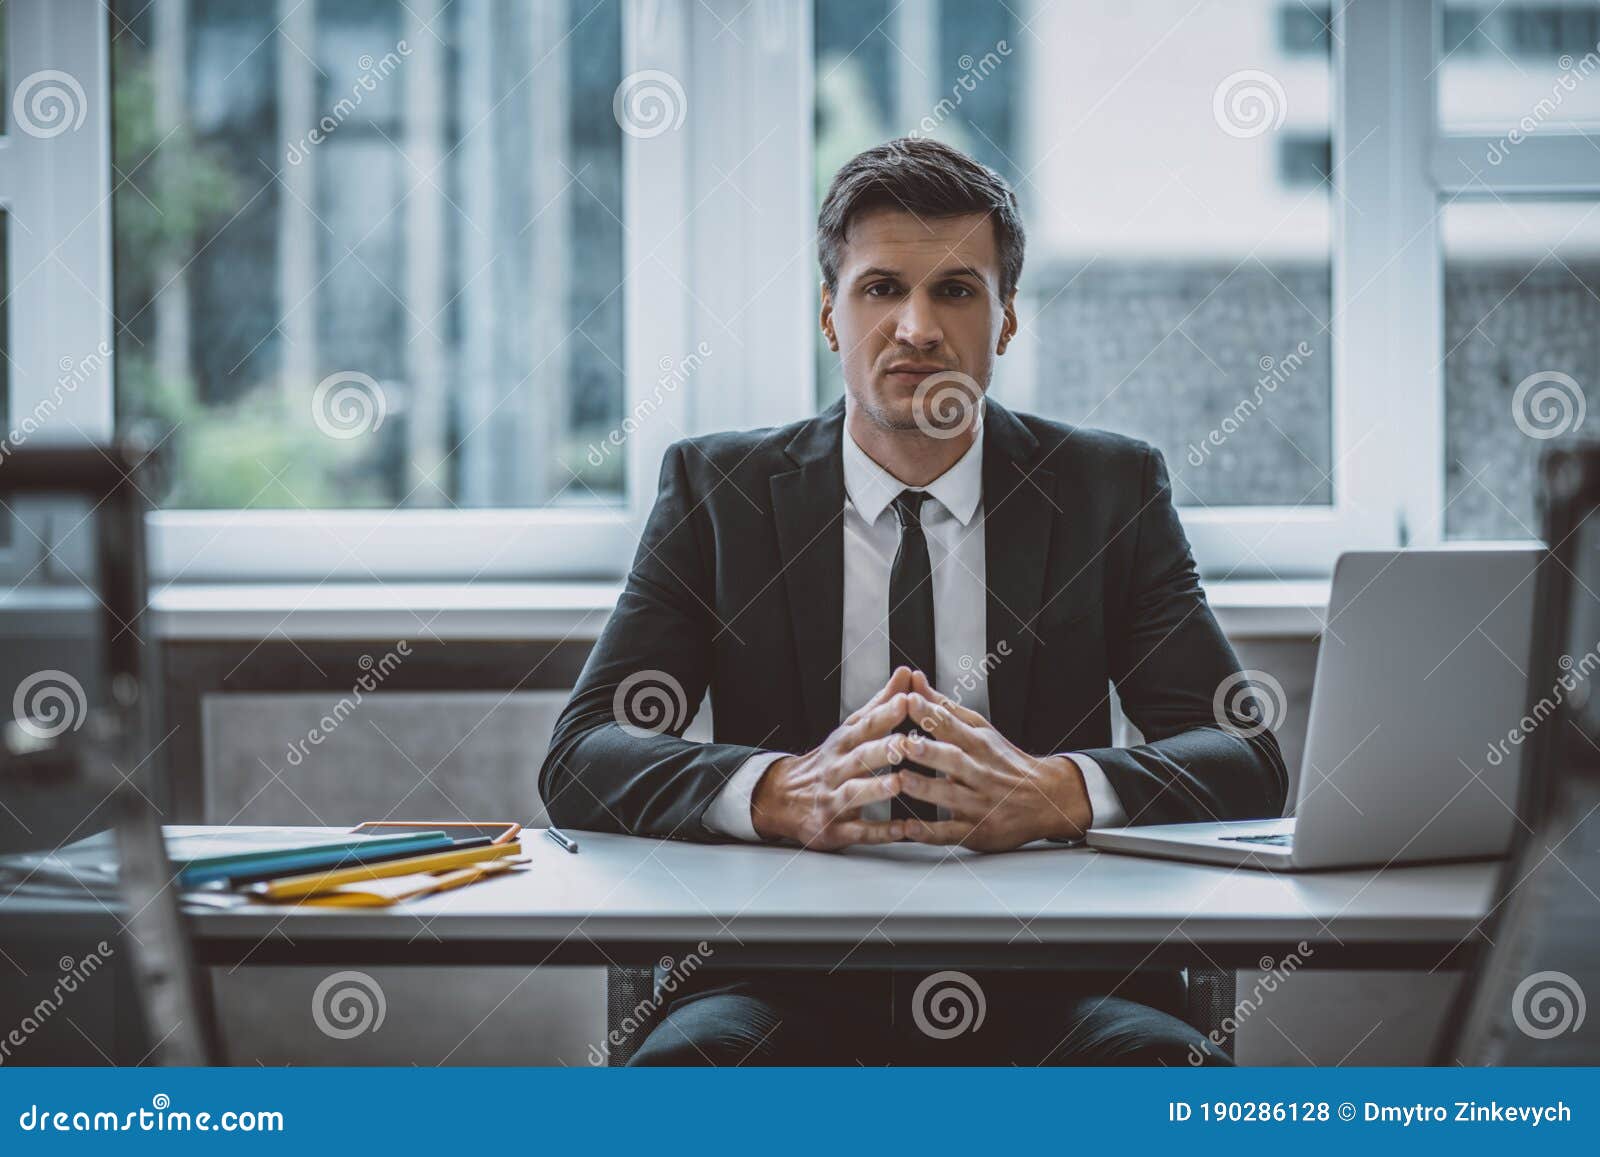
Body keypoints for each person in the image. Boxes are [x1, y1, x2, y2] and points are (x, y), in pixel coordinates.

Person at [540, 137, 1288, 1065]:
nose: (917, 327)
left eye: (957, 291)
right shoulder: (718, 491)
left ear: (1007, 318)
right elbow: (581, 757)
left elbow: (1248, 759)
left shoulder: (1108, 488)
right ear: (829, 313)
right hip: (775, 974)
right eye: (881, 288)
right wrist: (778, 793)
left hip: (1062, 971)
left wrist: (1057, 793)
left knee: (1166, 1083)